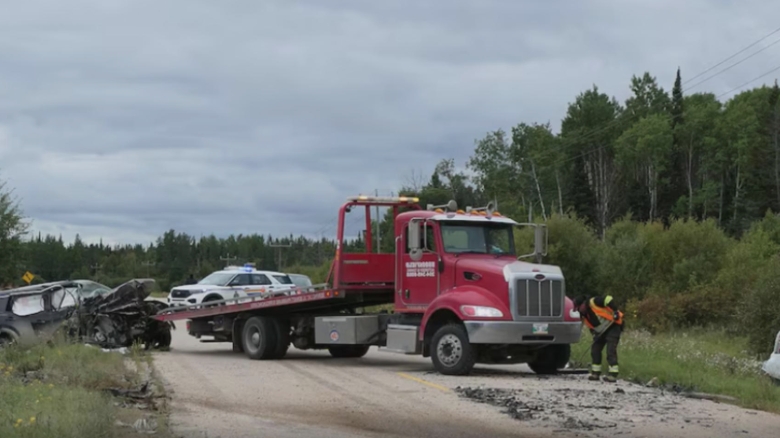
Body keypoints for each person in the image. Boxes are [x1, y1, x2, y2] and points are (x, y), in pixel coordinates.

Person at [573, 294, 624, 382]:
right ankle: (595, 373)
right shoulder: (584, 314)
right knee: (595, 350)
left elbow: (608, 299)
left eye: (578, 307)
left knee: (610, 351)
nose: (578, 310)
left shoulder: (595, 301)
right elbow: (592, 327)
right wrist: (594, 334)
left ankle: (613, 375)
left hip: (613, 326)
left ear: (584, 304)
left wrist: (615, 311)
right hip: (601, 332)